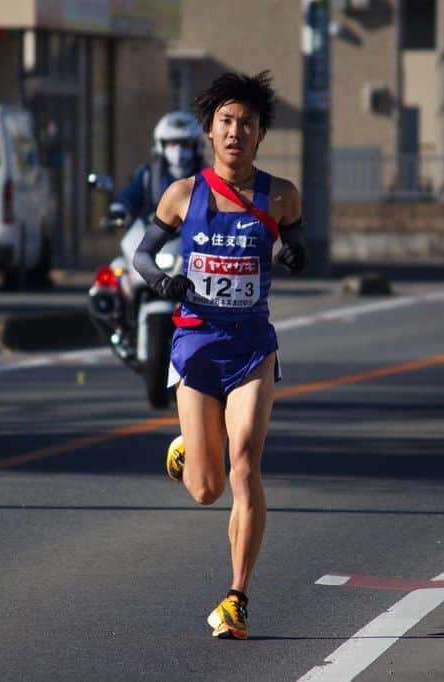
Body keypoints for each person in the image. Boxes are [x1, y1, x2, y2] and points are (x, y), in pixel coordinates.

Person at [132, 71, 306, 640]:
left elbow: (295, 240)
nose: (236, 132)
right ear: (210, 130)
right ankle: (189, 441)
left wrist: (293, 254)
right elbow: (142, 256)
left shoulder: (280, 194)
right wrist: (162, 283)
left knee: (245, 466)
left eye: (247, 123)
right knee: (206, 488)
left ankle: (237, 599)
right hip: (197, 344)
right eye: (227, 122)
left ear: (261, 134)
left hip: (252, 345)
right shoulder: (183, 195)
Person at [108, 110, 206, 222]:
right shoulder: (147, 175)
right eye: (172, 144)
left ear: (196, 146)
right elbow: (132, 194)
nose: (178, 151)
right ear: (161, 145)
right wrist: (119, 208)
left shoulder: (208, 176)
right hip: (152, 230)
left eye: (185, 144)